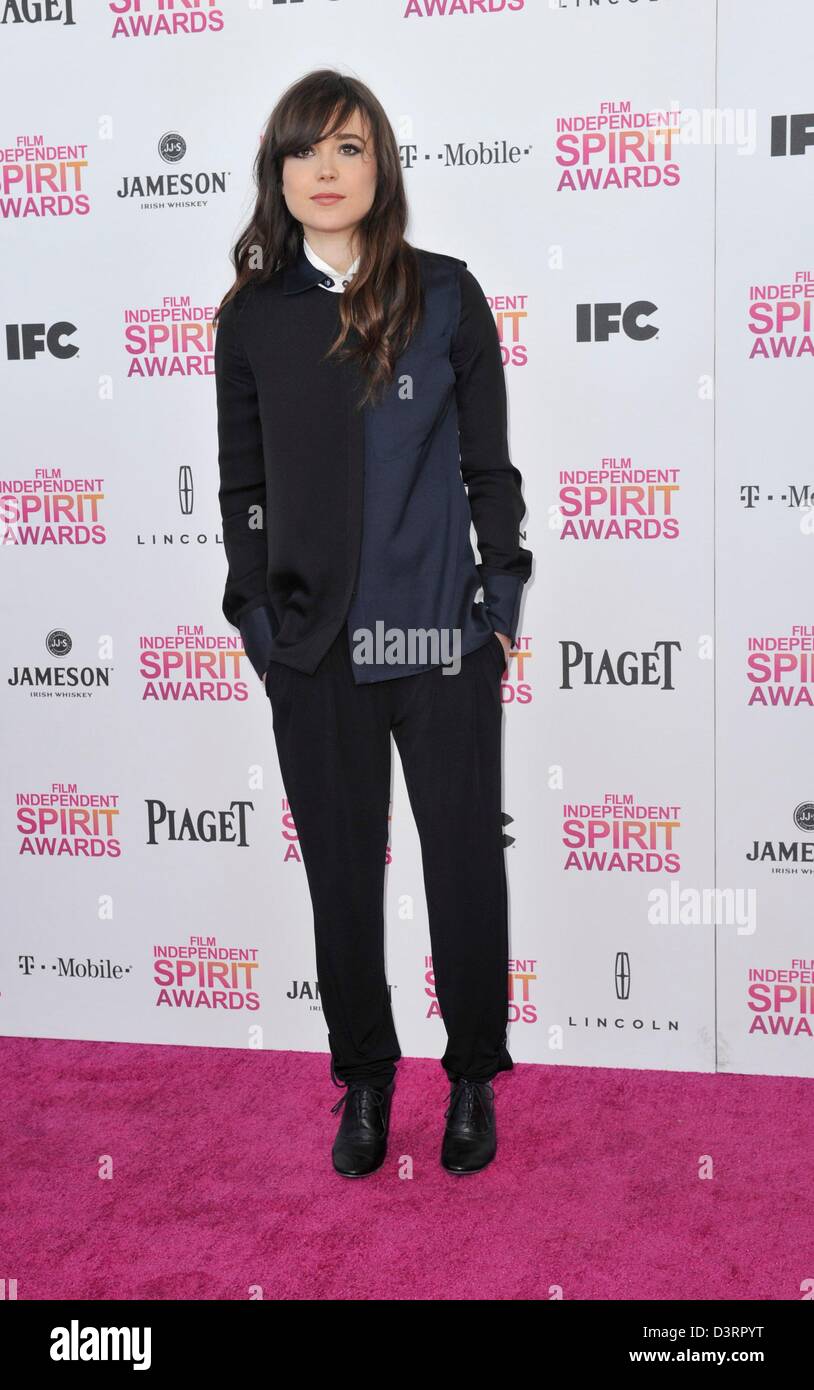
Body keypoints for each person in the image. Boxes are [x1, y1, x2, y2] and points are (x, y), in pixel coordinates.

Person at [213, 69, 532, 1178]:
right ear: (279, 174)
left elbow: (487, 470)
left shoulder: (445, 293)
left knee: (463, 869)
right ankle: (364, 1077)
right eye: (304, 152)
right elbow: (240, 484)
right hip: (314, 648)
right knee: (340, 875)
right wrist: (258, 621)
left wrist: (499, 601)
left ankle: (474, 1078)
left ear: (380, 165)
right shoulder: (253, 316)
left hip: (439, 641)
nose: (326, 171)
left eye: (348, 148)